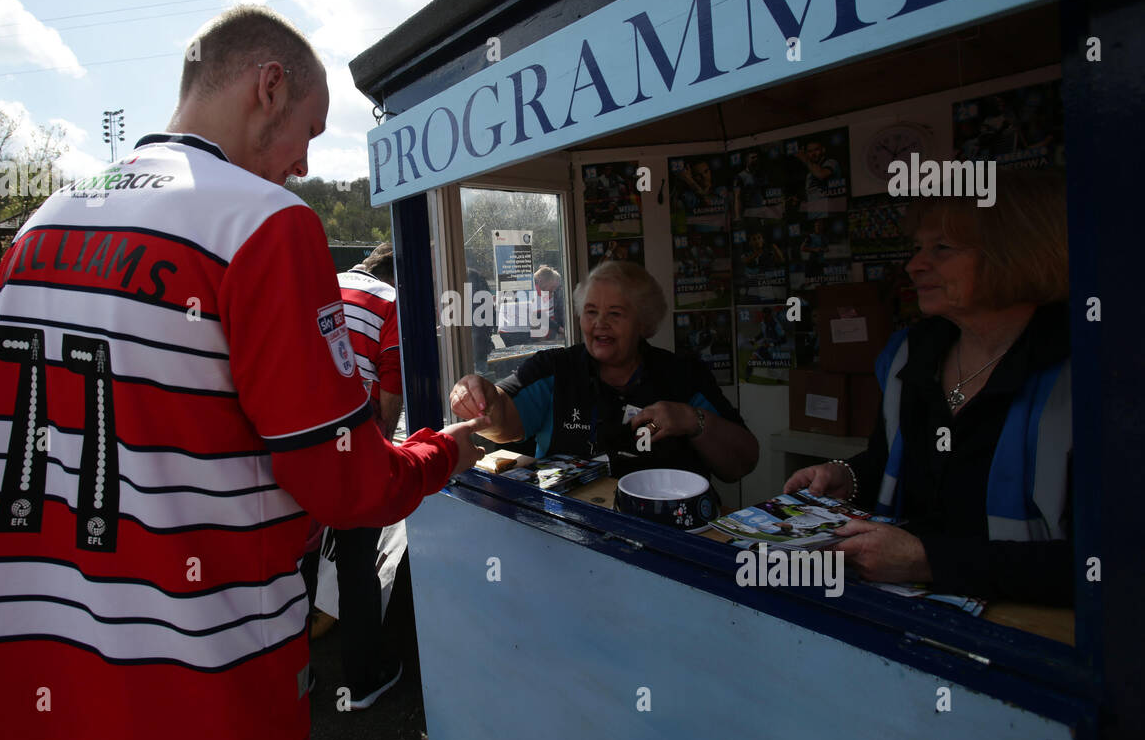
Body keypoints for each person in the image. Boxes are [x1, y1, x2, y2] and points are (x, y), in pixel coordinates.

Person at [0, 5, 487, 740]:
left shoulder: (41, 223)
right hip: (197, 664)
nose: (302, 163)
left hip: (25, 659)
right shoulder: (265, 221)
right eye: (311, 131)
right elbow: (342, 484)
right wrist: (446, 451)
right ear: (269, 87)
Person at [784, 171, 1073, 604]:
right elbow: (891, 462)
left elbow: (1108, 563)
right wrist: (847, 476)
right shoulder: (911, 355)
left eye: (942, 248)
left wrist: (929, 560)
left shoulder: (1091, 375)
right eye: (918, 248)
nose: (914, 264)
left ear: (1017, 252)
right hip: (906, 615)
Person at [450, 261, 758, 483]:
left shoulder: (682, 375)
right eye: (591, 311)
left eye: (615, 314)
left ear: (644, 323)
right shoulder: (554, 368)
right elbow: (505, 424)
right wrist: (483, 398)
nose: (600, 323)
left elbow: (742, 463)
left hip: (667, 537)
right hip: (569, 533)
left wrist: (693, 420)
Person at [324, 242, 406, 709]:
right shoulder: (390, 302)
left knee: (300, 562)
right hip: (355, 449)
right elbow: (391, 389)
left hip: (301, 444)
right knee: (357, 564)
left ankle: (297, 678)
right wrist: (384, 453)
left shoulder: (327, 286)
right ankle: (362, 680)